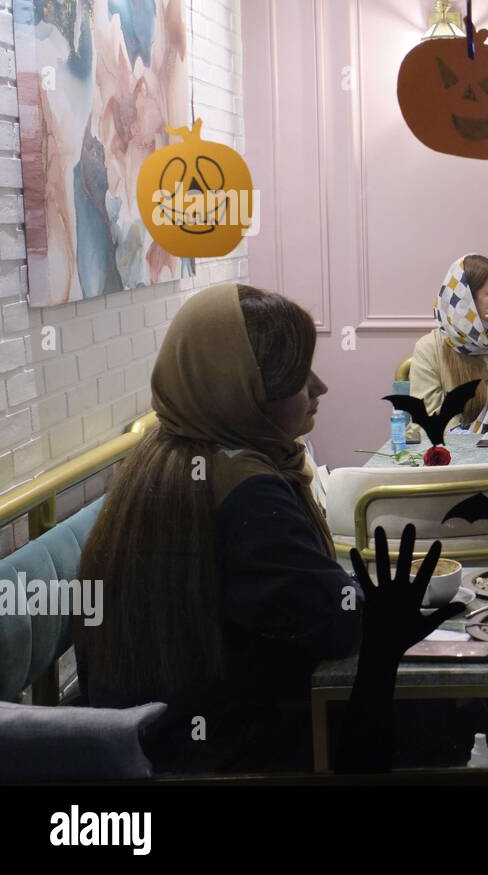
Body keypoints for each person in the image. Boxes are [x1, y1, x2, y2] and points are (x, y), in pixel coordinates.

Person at [74, 284, 362, 774]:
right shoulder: (247, 490)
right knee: (444, 716)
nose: (319, 387)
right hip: (228, 754)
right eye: (297, 377)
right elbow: (337, 624)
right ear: (246, 389)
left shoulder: (162, 458)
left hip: (152, 741)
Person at [410, 254, 488, 432]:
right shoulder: (429, 348)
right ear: (467, 300)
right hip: (452, 454)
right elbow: (429, 420)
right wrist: (475, 447)